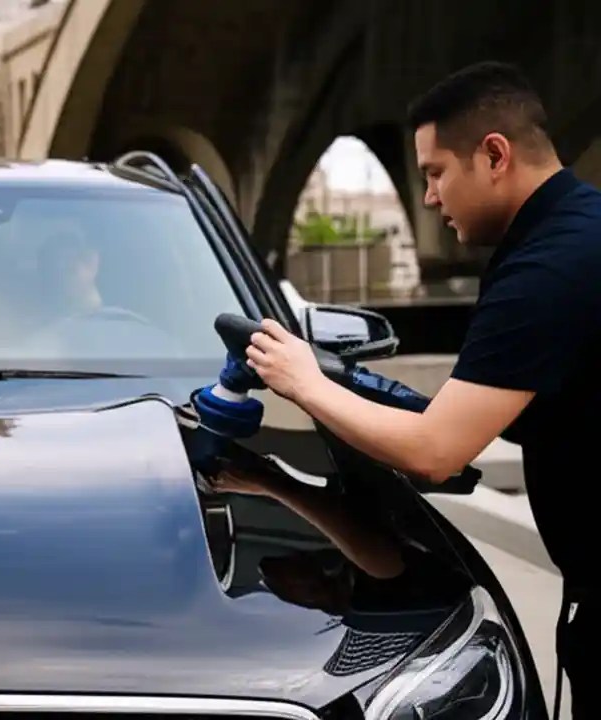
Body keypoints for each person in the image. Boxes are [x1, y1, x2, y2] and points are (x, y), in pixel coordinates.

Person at [243, 61, 598, 717]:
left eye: (436, 173)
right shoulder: (571, 235)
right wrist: (275, 482)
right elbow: (470, 416)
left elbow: (437, 450)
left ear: (494, 155)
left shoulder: (548, 269)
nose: (429, 197)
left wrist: (302, 380)